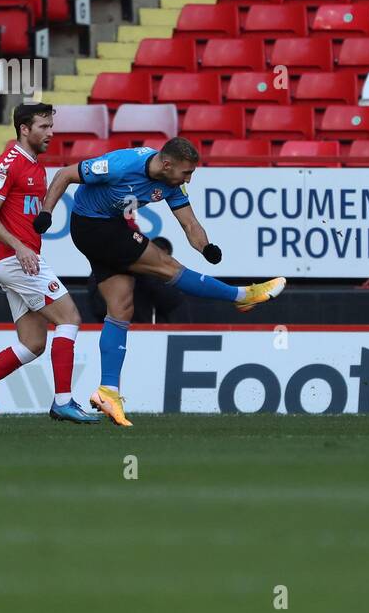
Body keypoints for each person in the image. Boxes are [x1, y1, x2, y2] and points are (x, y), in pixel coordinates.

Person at [40, 138, 285, 427]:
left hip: (111, 224)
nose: (188, 179)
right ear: (166, 164)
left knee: (121, 308)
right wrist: (46, 213)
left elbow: (190, 225)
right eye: (186, 173)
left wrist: (206, 248)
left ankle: (108, 391)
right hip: (93, 226)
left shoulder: (170, 182)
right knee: (168, 267)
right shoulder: (120, 165)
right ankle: (241, 295)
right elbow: (65, 174)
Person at [0, 103, 98, 426]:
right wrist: (19, 247)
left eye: (51, 126)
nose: (51, 133)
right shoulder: (8, 164)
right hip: (17, 260)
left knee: (32, 344)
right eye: (43, 126)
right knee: (69, 317)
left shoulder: (35, 166)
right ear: (24, 129)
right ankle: (63, 401)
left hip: (20, 261)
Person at [87, 236, 185, 324]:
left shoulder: (162, 276)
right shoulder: (103, 268)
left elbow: (172, 303)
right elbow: (97, 306)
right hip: (113, 326)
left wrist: (147, 274)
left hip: (147, 331)